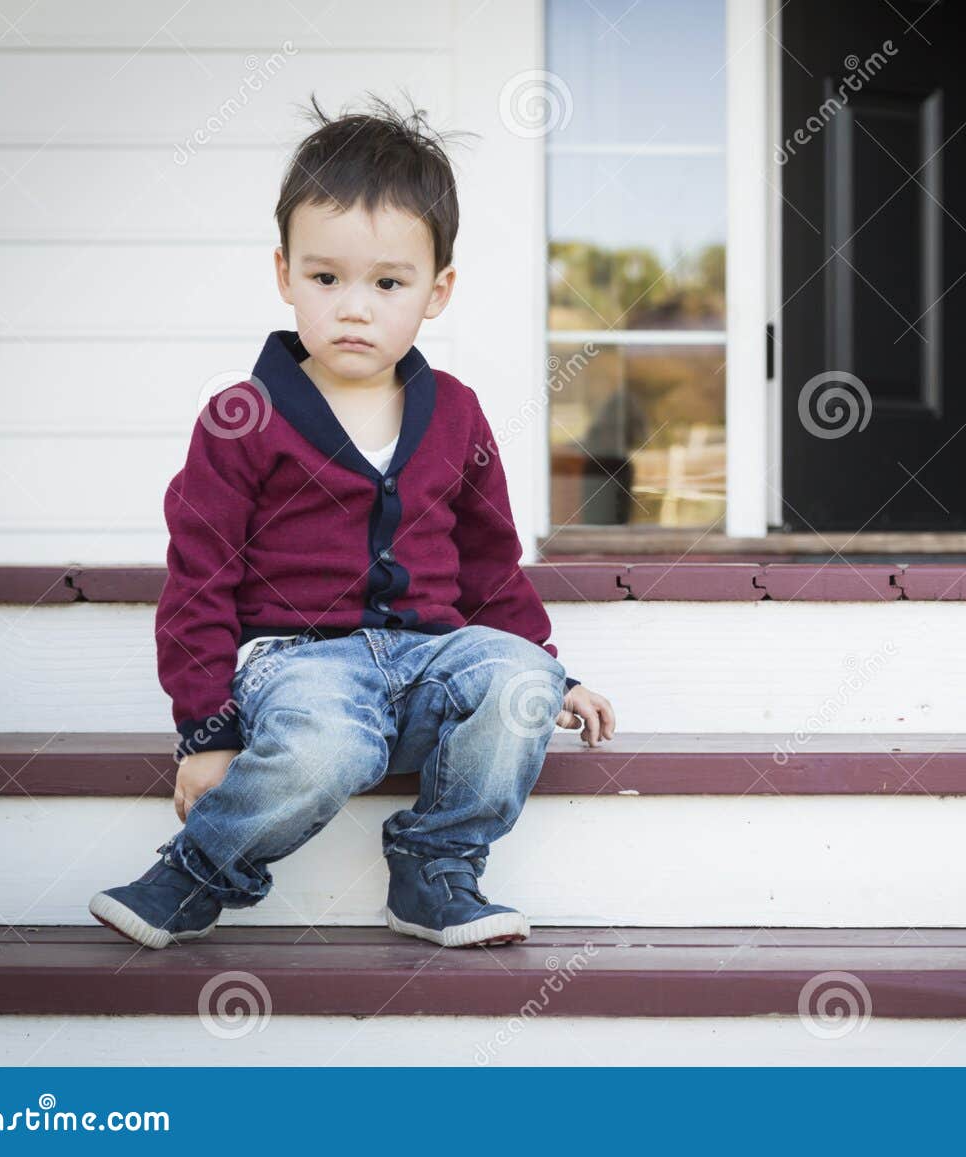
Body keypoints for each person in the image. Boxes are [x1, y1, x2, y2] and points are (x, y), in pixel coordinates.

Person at [89, 93, 614, 951]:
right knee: (326, 741)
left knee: (518, 678)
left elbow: (489, 565)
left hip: (426, 662)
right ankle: (198, 869)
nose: (355, 307)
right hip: (296, 667)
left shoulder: (459, 415)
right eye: (326, 278)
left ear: (436, 291)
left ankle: (437, 868)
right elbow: (200, 579)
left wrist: (555, 672)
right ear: (284, 273)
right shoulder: (243, 416)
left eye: (388, 282)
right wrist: (206, 735)